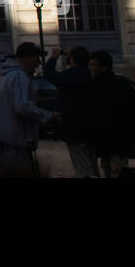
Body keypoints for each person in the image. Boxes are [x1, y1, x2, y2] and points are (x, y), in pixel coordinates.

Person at [0, 42, 59, 177]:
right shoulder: (18, 76)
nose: (38, 64)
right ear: (26, 57)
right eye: (37, 58)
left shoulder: (1, 74)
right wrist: (49, 116)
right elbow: (23, 107)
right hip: (16, 142)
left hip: (2, 140)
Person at [83, 50, 135, 177]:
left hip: (117, 141)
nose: (90, 68)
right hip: (109, 141)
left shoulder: (116, 85)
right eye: (90, 65)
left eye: (93, 65)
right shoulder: (97, 85)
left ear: (104, 67)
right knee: (111, 171)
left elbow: (132, 112)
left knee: (116, 171)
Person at [45, 46, 95, 177]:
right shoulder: (91, 74)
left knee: (82, 166)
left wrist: (53, 57)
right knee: (92, 162)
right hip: (91, 126)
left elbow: (49, 74)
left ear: (72, 60)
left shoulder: (69, 75)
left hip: (73, 126)